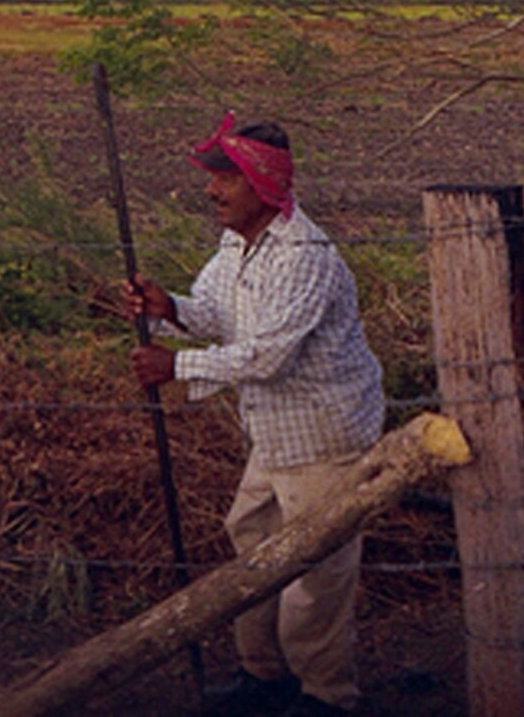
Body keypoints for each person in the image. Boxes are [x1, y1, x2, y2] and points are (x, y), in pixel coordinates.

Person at [127, 117, 386, 717]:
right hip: (274, 430)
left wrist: (178, 366)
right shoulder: (236, 242)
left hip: (325, 432)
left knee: (316, 572)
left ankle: (326, 697)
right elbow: (218, 311)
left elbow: (269, 355)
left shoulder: (303, 254)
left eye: (227, 178)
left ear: (264, 184)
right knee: (253, 540)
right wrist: (171, 308)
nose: (212, 190)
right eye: (213, 177)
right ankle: (265, 677)